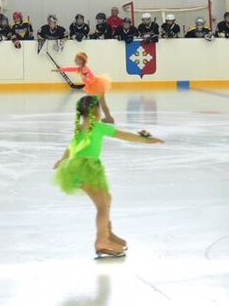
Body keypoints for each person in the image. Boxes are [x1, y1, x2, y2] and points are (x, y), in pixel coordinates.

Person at [53, 96, 162, 258]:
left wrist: (63, 159)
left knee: (107, 198)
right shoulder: (98, 127)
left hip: (79, 168)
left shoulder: (80, 127)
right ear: (96, 111)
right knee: (102, 206)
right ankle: (102, 241)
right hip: (86, 170)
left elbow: (72, 146)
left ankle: (107, 233)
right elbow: (124, 135)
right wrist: (147, 141)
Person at [56, 52, 114, 122]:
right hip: (93, 86)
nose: (74, 60)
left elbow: (92, 80)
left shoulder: (84, 69)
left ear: (81, 60)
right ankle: (107, 118)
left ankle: (103, 118)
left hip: (96, 86)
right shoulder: (80, 68)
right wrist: (60, 70)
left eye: (76, 59)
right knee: (99, 103)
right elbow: (71, 69)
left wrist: (86, 81)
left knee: (96, 103)